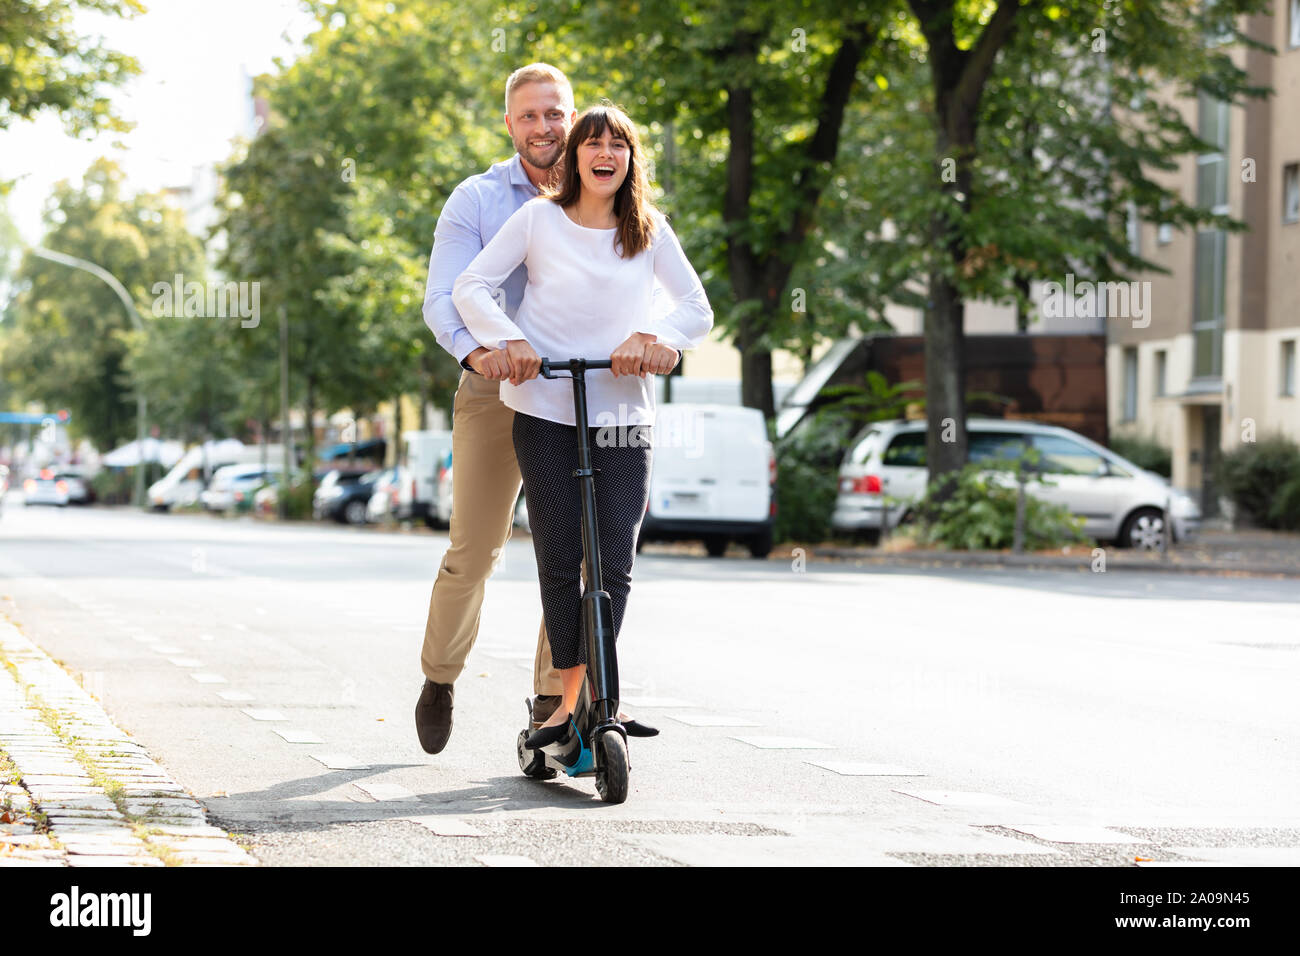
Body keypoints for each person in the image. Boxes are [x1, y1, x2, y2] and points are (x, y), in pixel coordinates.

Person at [452, 104, 713, 748]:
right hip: (545, 409)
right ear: (573, 158)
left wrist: (658, 338)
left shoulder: (648, 229)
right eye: (592, 143)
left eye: (617, 144)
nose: (605, 154)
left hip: (622, 413)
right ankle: (571, 702)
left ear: (630, 160)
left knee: (614, 558)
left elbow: (696, 307)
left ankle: (582, 702)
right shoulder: (539, 219)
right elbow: (472, 287)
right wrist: (509, 342)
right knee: (560, 556)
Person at [415, 63, 580, 754]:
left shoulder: (603, 187)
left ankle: (553, 701)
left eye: (554, 112)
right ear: (509, 125)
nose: (544, 126)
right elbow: (442, 298)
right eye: (530, 115)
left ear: (571, 117)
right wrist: (479, 356)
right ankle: (440, 675)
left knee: (568, 554)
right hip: (493, 387)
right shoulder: (477, 199)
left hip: (576, 388)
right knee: (475, 551)